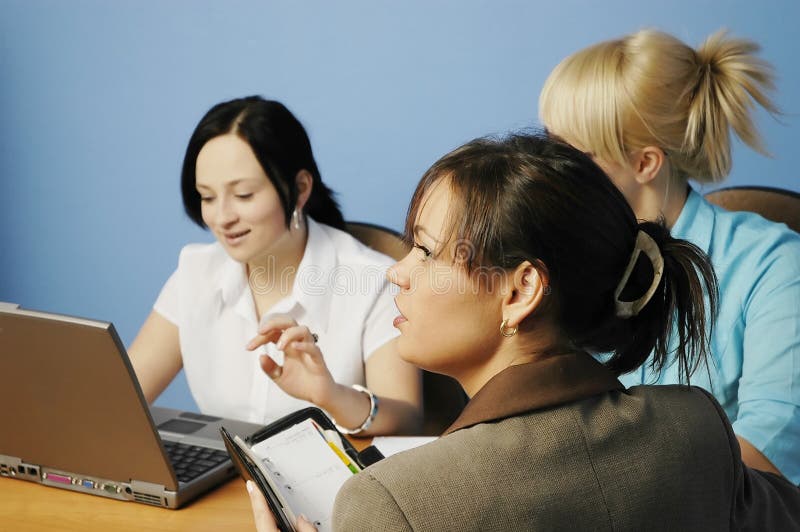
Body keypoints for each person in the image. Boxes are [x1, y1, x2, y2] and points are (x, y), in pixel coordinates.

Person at [247, 133, 800, 531]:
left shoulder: (389, 504)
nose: (398, 271)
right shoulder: (698, 428)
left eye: (426, 251)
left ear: (520, 291)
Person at [539, 29, 800, 482]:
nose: (547, 172)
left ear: (644, 163)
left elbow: (772, 442)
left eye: (570, 155)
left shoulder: (774, 264)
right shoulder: (553, 261)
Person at [128, 96, 421, 435]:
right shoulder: (196, 273)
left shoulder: (370, 280)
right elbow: (120, 398)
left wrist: (332, 396)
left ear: (300, 189)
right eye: (207, 197)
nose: (222, 217)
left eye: (243, 195)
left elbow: (407, 421)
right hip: (227, 469)